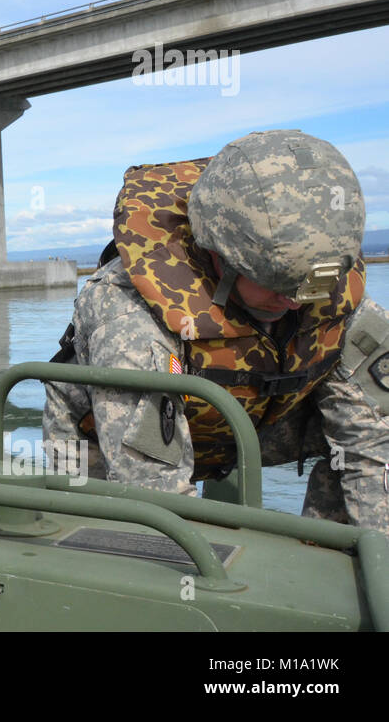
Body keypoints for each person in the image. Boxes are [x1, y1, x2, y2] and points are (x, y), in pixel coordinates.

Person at [43, 129, 389, 534]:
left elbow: (374, 444)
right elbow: (152, 485)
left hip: (248, 426)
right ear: (218, 256)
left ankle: (334, 559)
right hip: (108, 450)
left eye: (310, 288)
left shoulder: (326, 290)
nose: (296, 302)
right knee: (125, 544)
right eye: (278, 285)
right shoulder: (130, 313)